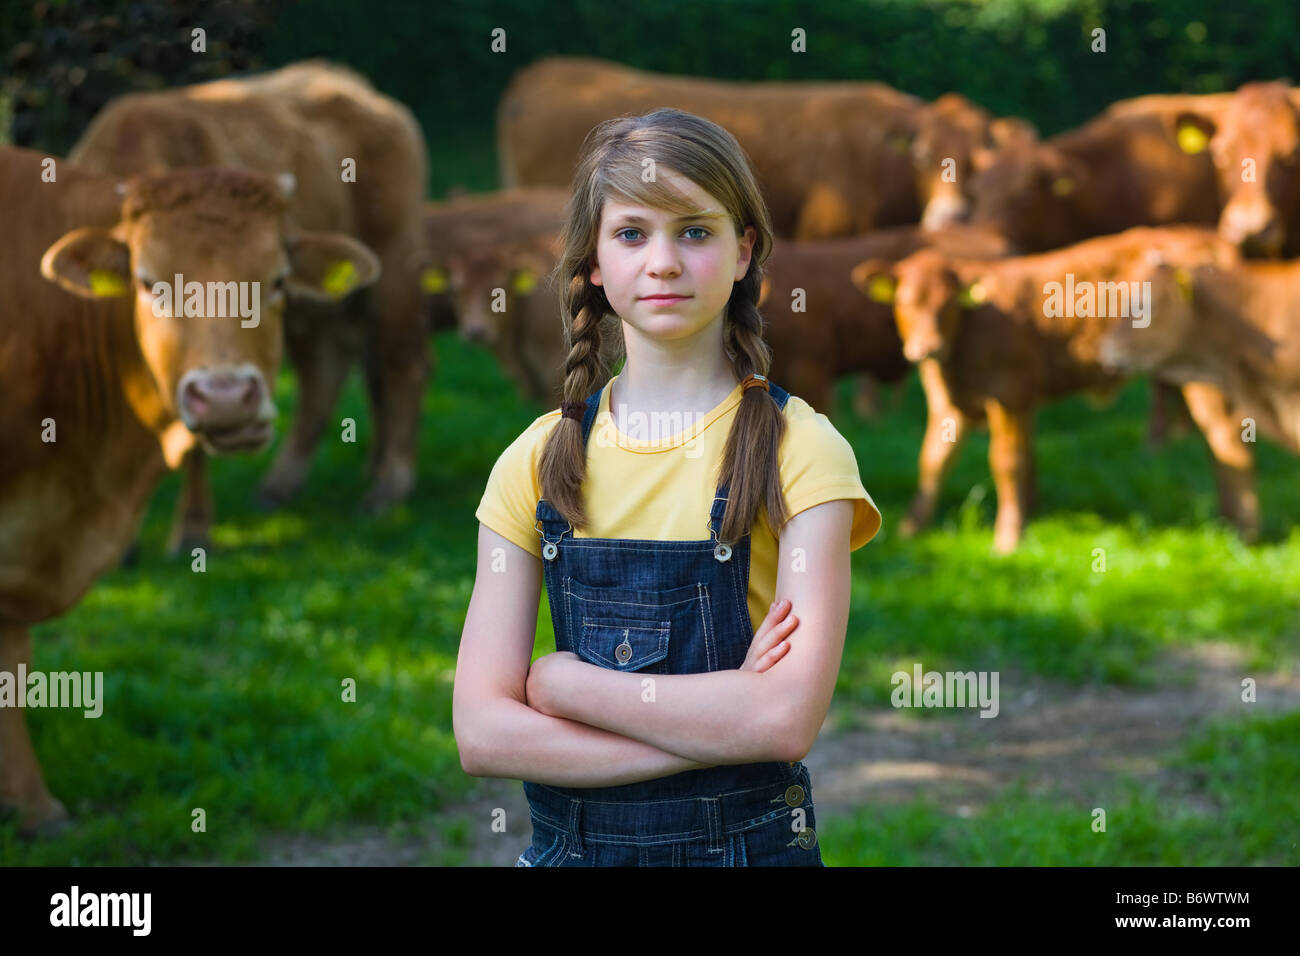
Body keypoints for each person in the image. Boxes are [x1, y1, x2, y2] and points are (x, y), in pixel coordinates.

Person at [454, 108, 882, 866]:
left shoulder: (801, 451)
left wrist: (564, 687)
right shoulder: (534, 460)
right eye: (630, 233)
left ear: (744, 251)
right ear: (591, 261)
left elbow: (783, 723)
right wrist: (717, 728)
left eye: (695, 231)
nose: (663, 261)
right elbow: (483, 734)